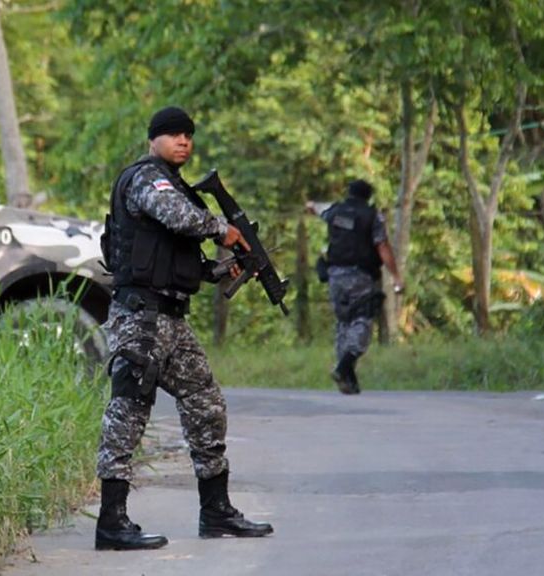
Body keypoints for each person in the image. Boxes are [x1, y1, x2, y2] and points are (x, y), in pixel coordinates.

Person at [95, 106, 274, 551]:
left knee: (206, 403)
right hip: (140, 318)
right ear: (154, 138)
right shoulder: (146, 179)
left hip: (170, 319)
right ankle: (111, 521)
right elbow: (176, 216)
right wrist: (224, 229)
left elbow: (183, 262)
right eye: (174, 134)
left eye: (189, 135)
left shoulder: (180, 189)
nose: (184, 141)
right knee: (129, 412)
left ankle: (216, 511)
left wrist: (224, 271)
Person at [307, 179, 404, 395]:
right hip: (360, 275)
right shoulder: (372, 216)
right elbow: (382, 246)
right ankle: (345, 365)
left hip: (334, 275)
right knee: (362, 319)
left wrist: (310, 205)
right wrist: (396, 276)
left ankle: (347, 378)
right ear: (368, 196)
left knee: (344, 321)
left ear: (348, 193)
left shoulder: (335, 210)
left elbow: (314, 207)